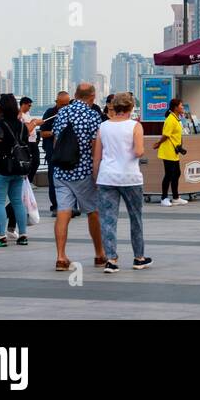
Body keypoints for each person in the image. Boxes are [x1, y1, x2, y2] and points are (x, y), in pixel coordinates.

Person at [51, 82, 107, 272]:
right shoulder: (93, 115)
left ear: (75, 94)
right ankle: (99, 254)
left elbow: (57, 140)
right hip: (83, 171)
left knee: (63, 212)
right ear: (92, 97)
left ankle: (60, 256)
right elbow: (95, 146)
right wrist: (96, 170)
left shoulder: (62, 113)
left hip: (61, 171)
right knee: (93, 211)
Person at [93, 92, 152, 272]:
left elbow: (97, 157)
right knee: (135, 218)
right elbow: (140, 151)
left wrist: (97, 177)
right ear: (131, 107)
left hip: (107, 177)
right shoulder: (135, 126)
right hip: (130, 177)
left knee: (108, 220)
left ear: (114, 107)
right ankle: (138, 257)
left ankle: (111, 259)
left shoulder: (103, 127)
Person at [0, 93, 31, 247]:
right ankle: (23, 235)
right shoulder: (22, 125)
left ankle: (0, 236)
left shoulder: (0, 125)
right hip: (19, 169)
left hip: (2, 170)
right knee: (17, 202)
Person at [39, 90, 69, 214]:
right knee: (53, 178)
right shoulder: (50, 113)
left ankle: (71, 206)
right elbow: (42, 133)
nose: (64, 107)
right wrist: (55, 132)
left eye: (66, 104)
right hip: (52, 151)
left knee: (69, 179)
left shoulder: (71, 113)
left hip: (68, 151)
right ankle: (55, 205)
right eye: (61, 105)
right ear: (56, 102)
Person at [157, 98, 188, 205]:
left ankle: (175, 197)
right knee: (169, 174)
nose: (182, 107)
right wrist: (158, 143)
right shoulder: (170, 119)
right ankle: (164, 198)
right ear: (175, 108)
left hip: (174, 151)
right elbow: (166, 135)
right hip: (168, 150)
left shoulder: (176, 119)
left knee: (177, 173)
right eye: (181, 105)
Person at [18, 97, 43, 188]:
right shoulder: (20, 115)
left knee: (36, 161)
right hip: (27, 142)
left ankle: (29, 180)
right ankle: (26, 181)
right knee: (29, 161)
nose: (30, 107)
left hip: (33, 141)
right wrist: (34, 122)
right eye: (29, 105)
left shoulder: (27, 113)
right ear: (23, 104)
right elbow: (26, 130)